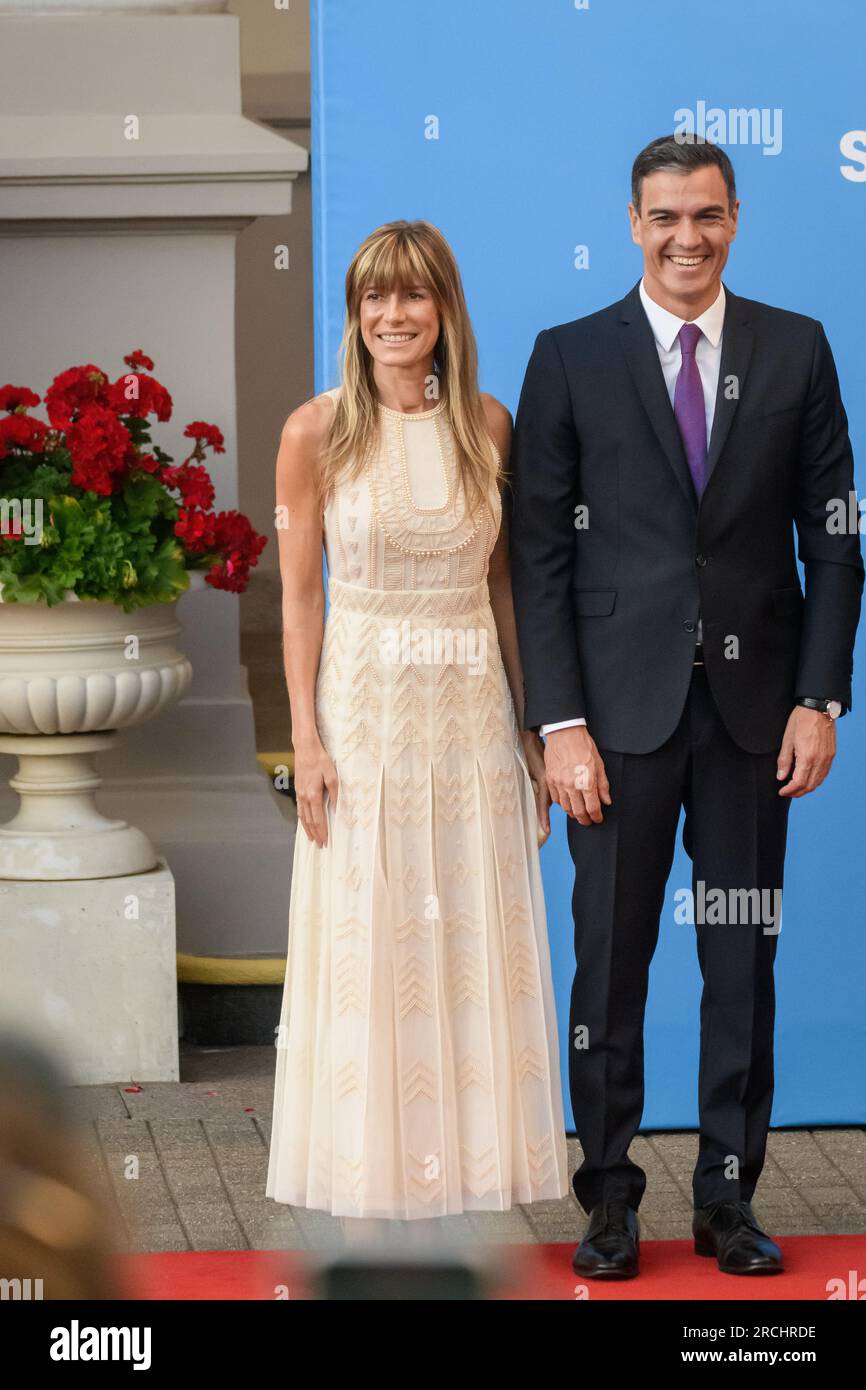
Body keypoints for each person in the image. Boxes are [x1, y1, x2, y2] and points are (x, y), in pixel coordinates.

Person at [509, 134, 864, 1278]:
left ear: (734, 217)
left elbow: (834, 537)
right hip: (613, 723)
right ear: (630, 223)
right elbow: (536, 560)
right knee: (607, 967)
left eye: (704, 215)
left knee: (737, 962)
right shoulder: (566, 357)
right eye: (663, 216)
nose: (684, 236)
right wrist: (557, 722)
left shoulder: (795, 348)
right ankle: (607, 1196)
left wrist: (817, 696)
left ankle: (726, 1197)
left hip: (755, 717)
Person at [265, 219, 569, 1243]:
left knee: (467, 939)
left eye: (412, 296)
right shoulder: (312, 432)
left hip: (469, 722)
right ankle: (371, 1187)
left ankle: (462, 1189)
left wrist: (531, 732)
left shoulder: (487, 424)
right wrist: (304, 738)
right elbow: (299, 601)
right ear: (354, 316)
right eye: (372, 299)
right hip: (364, 723)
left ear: (444, 310)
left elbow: (505, 590)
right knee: (372, 936)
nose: (392, 316)